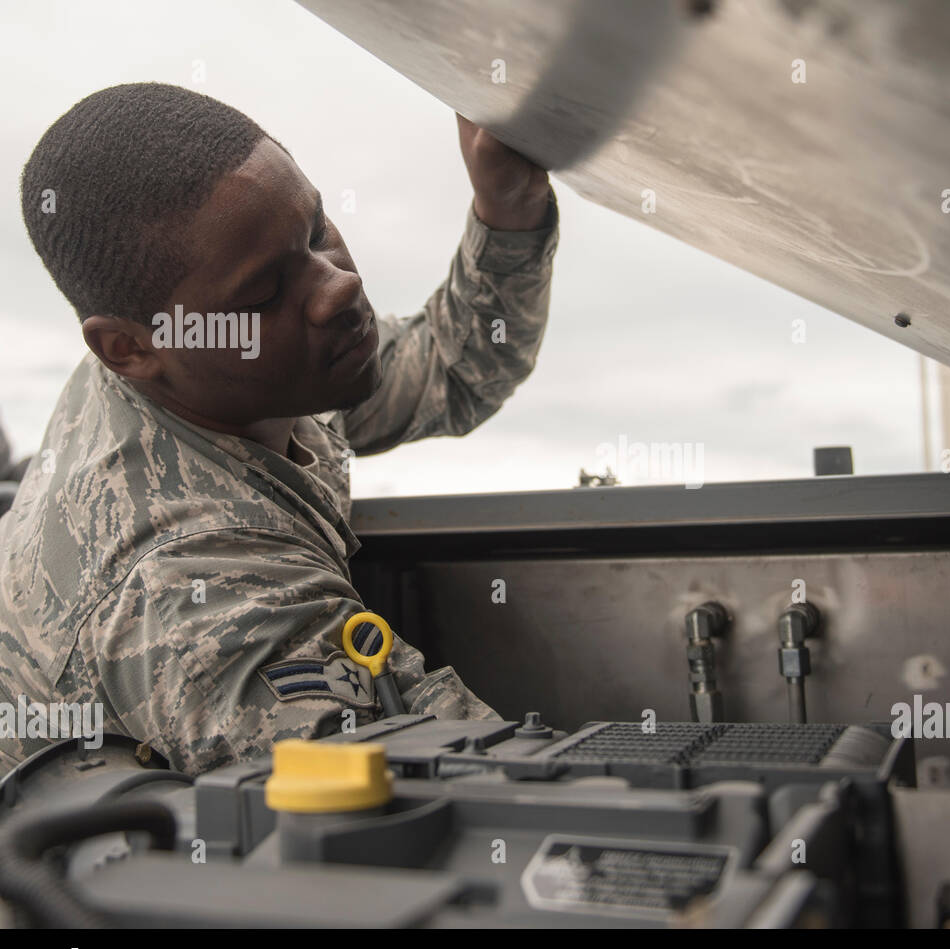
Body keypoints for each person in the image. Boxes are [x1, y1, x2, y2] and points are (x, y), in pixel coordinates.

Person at [0, 83, 558, 776]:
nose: (338, 288)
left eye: (318, 229)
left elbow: (451, 368)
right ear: (129, 350)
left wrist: (510, 207)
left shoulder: (231, 364)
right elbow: (458, 797)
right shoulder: (196, 592)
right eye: (263, 294)